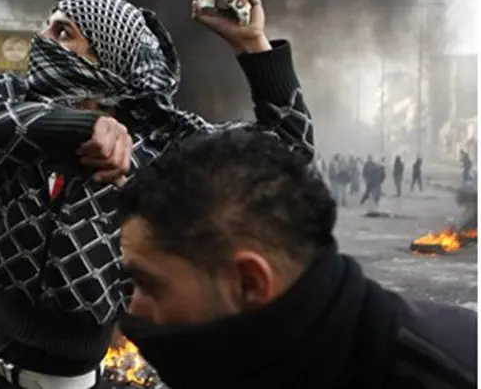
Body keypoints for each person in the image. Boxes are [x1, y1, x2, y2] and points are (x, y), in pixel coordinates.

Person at [0, 0, 314, 389]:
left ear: (107, 58)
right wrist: (74, 127)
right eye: (48, 26)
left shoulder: (162, 146)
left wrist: (253, 45)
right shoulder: (17, 102)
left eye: (64, 33)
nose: (42, 40)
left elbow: (288, 156)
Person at [115, 129, 477, 389]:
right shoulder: (249, 360)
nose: (134, 308)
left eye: (150, 285)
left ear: (250, 282)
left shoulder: (449, 371)